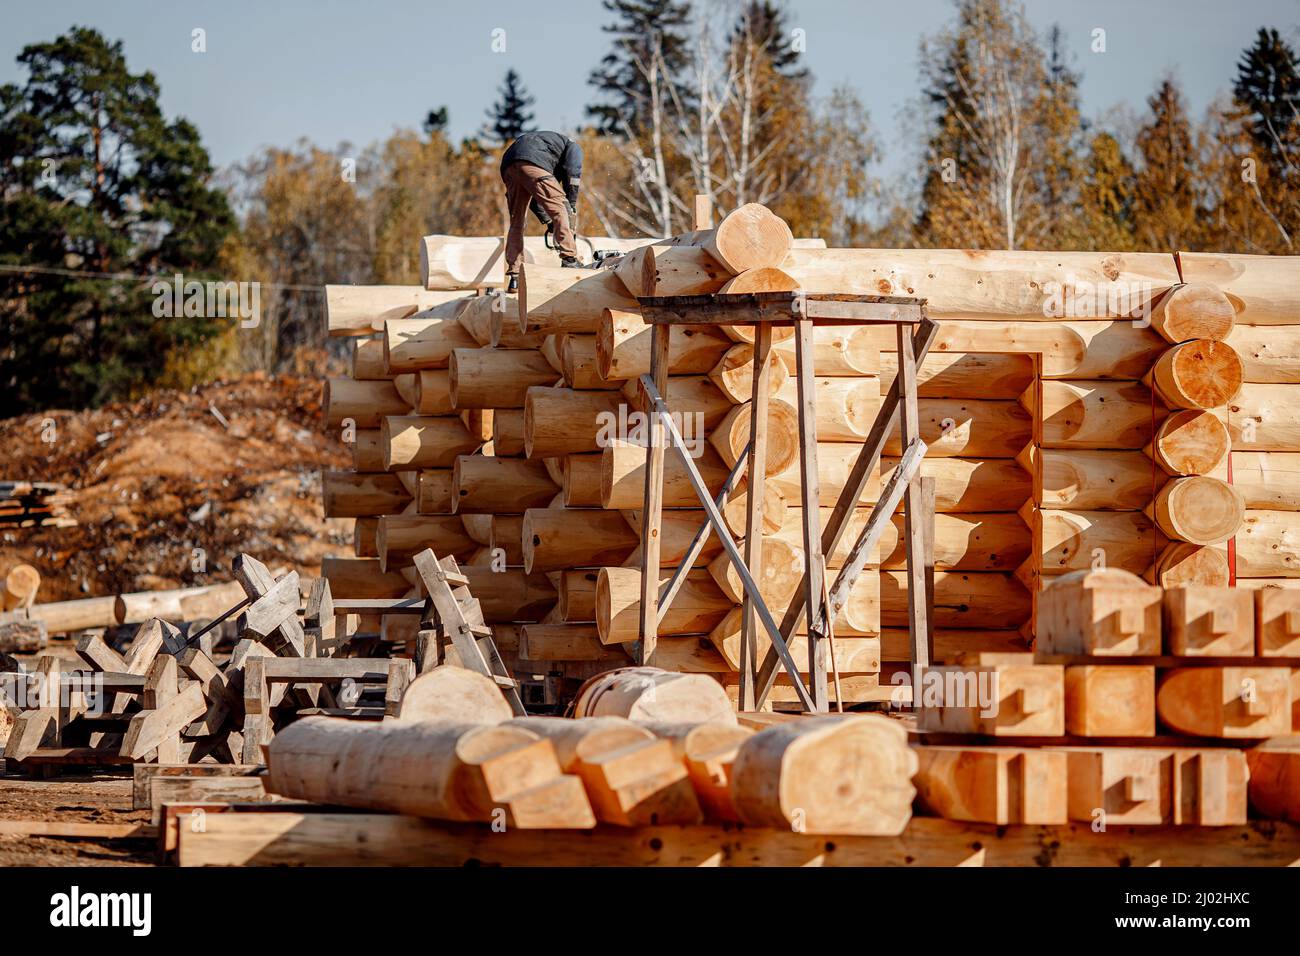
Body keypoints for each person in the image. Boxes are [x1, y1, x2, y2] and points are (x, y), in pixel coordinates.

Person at [500, 130, 584, 293]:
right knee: (562, 209)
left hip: (509, 166)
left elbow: (534, 196)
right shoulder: (573, 146)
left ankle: (514, 276)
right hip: (533, 162)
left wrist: (548, 220)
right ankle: (569, 258)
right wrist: (571, 204)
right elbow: (573, 174)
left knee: (516, 223)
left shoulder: (546, 145)